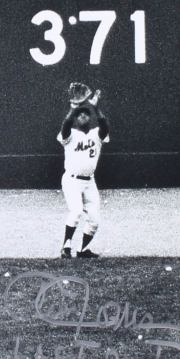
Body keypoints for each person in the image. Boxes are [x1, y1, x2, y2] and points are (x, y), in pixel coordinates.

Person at [57, 84, 109, 260]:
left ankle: (83, 249)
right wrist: (73, 108)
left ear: (90, 118)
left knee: (94, 218)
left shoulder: (96, 134)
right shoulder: (70, 134)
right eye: (80, 115)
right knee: (77, 210)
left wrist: (95, 107)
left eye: (86, 114)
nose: (83, 116)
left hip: (89, 182)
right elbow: (65, 125)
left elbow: (104, 127)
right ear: (77, 119)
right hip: (72, 180)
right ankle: (66, 247)